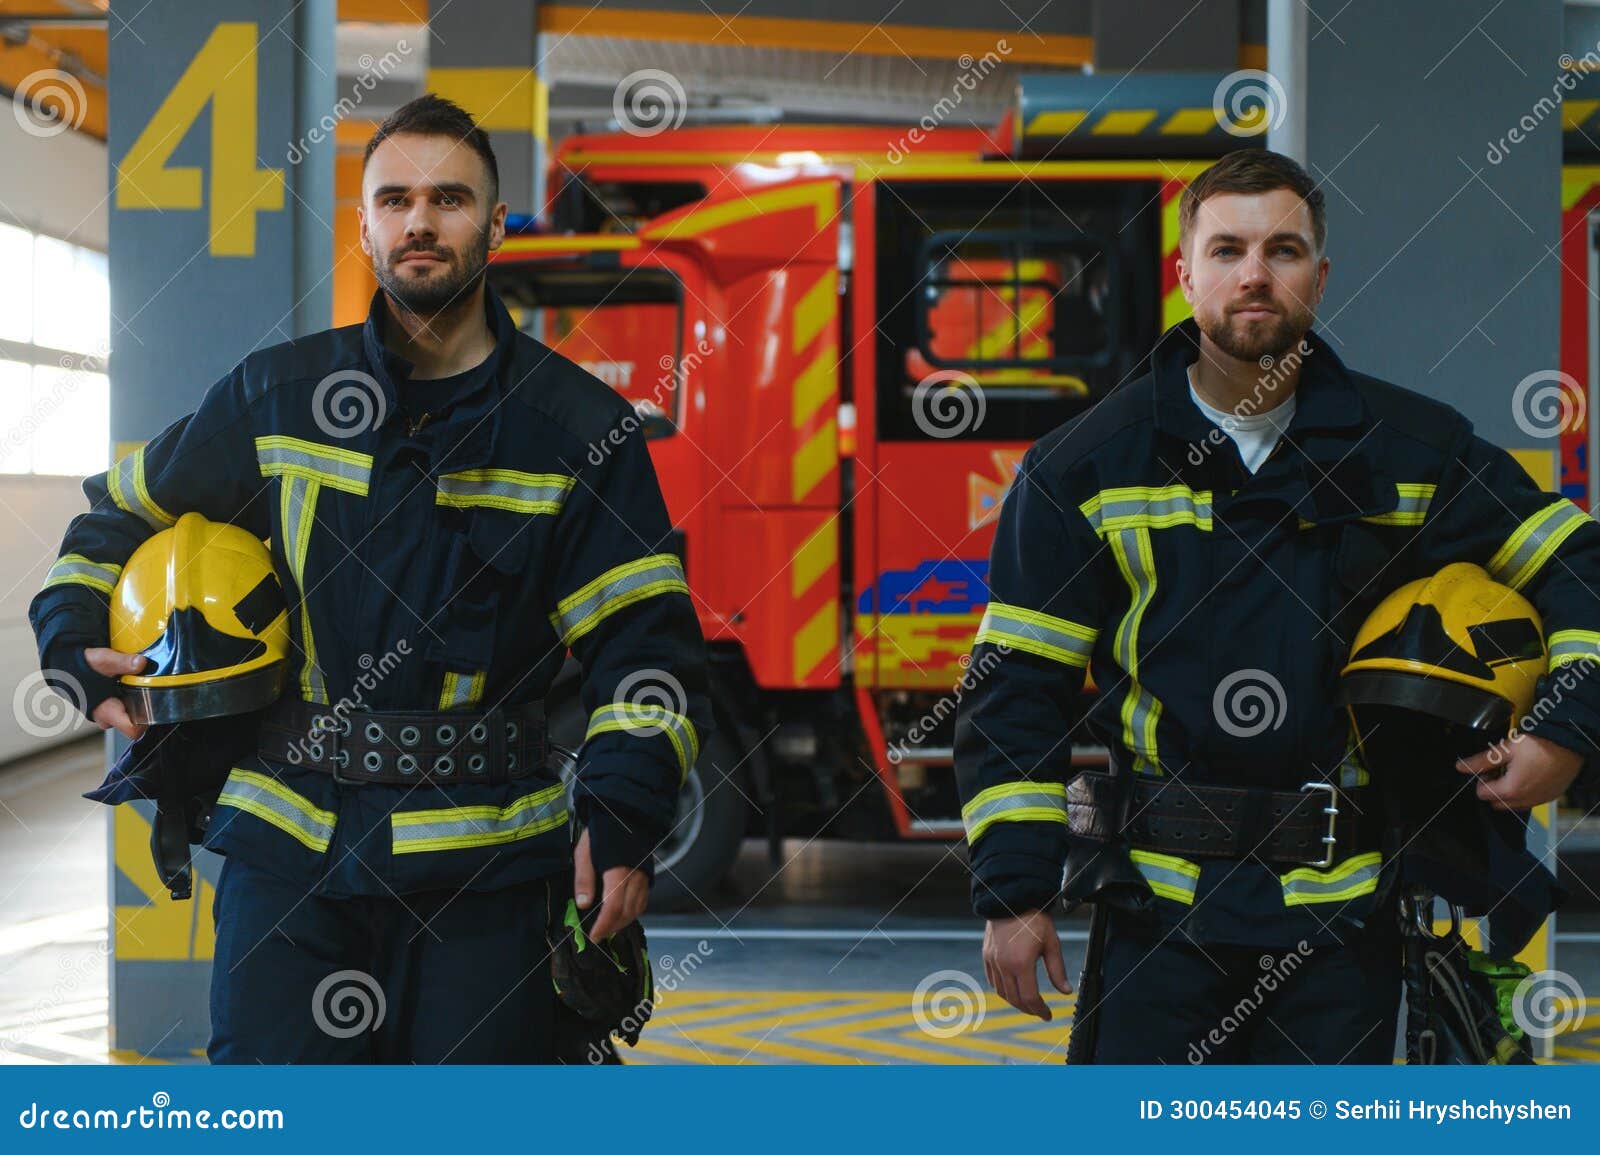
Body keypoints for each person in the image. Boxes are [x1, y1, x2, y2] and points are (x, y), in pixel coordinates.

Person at [29, 93, 712, 1063]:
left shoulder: (574, 427)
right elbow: (119, 509)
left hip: (490, 880)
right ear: (364, 224)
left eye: (449, 198)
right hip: (290, 866)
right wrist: (69, 634)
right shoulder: (278, 396)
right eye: (394, 200)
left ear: (495, 222)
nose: (420, 221)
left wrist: (626, 816)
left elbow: (643, 647)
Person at [954, 148, 1600, 1064]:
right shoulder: (1086, 466)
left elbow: (1580, 562)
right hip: (1157, 925)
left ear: (1320, 276)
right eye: (1227, 250)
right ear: (1185, 275)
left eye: (1283, 250)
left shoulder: (1415, 451)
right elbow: (1019, 685)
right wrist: (1014, 893)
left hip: (1346, 933)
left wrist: (1565, 729)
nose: (1254, 273)